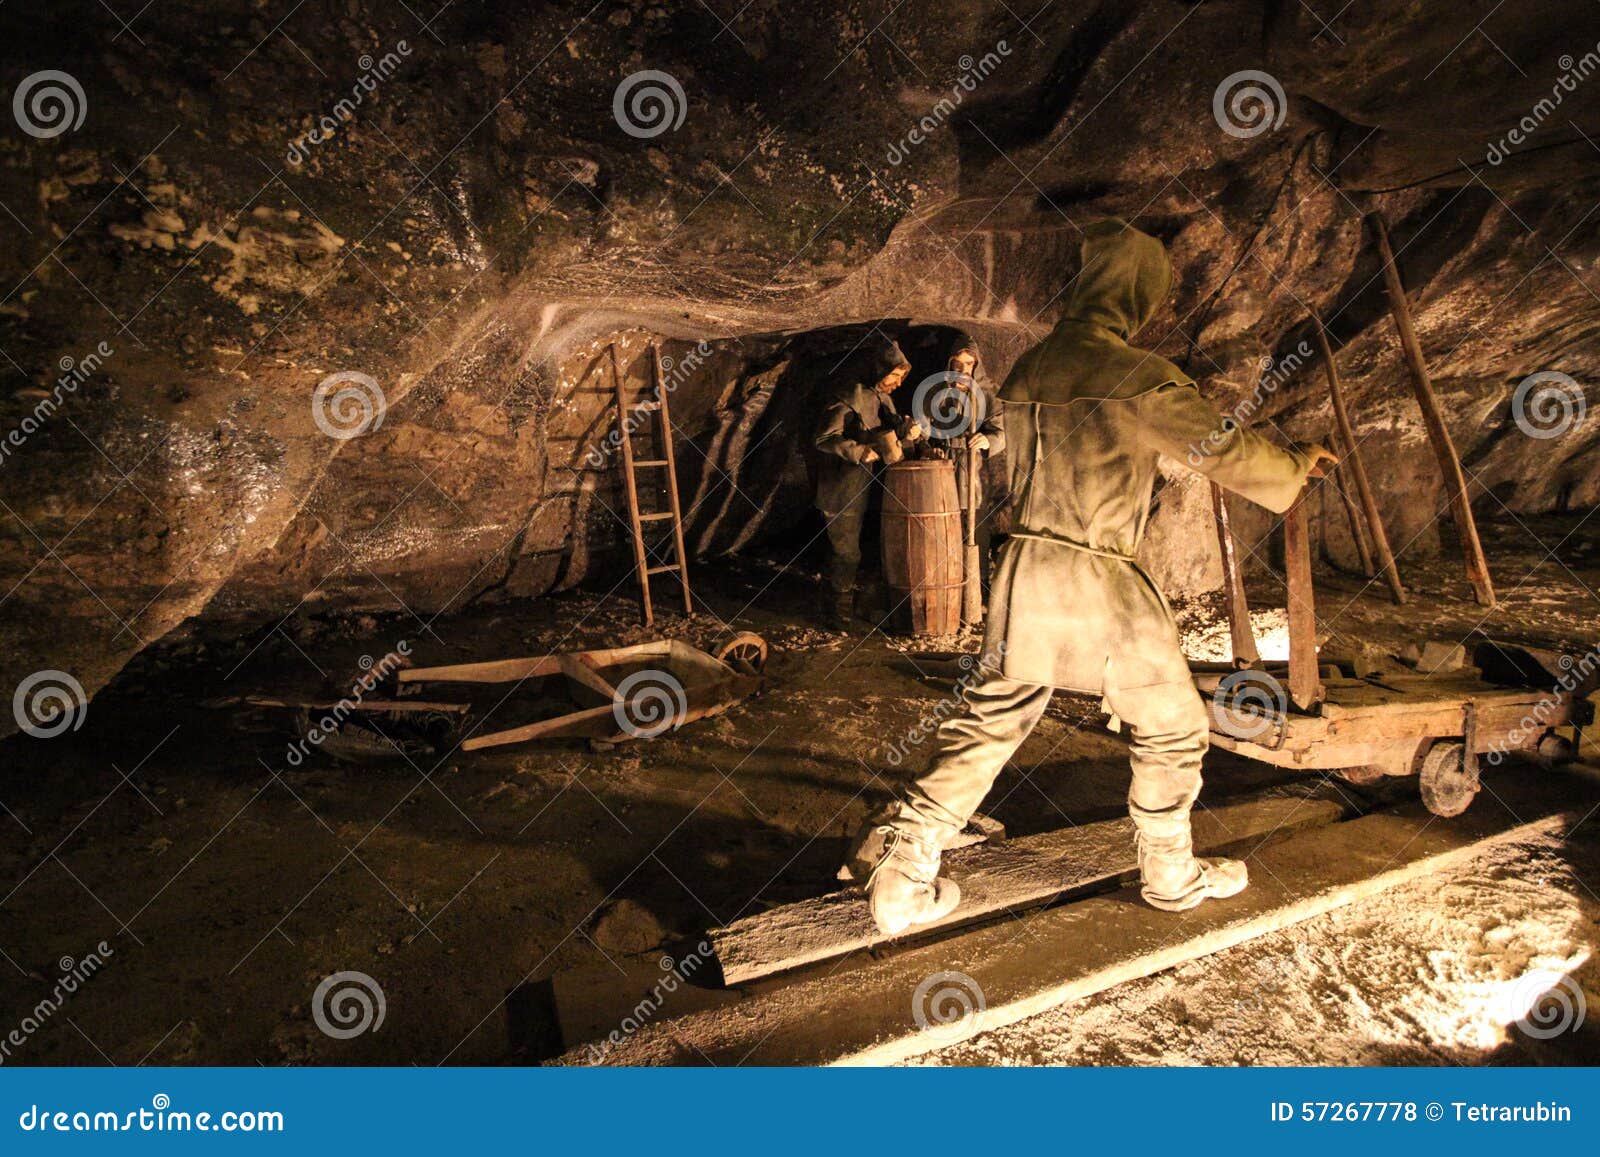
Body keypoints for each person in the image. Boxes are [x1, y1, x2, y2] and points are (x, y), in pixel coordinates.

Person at [844, 219, 1337, 935]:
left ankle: (902, 869)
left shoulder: (1032, 368)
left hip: (1026, 571)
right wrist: (1294, 466)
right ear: (1135, 293)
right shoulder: (1139, 376)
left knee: (993, 715)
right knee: (1172, 726)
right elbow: (1224, 451)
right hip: (1099, 576)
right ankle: (1170, 875)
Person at [812, 342, 920, 627]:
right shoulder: (847, 398)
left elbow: (888, 431)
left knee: (861, 547)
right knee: (847, 550)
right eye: (894, 376)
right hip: (842, 488)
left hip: (870, 486)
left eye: (901, 378)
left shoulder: (883, 399)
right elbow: (824, 438)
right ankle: (837, 610)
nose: (897, 383)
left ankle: (843, 600)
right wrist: (858, 451)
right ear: (878, 370)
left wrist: (906, 430)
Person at [913, 333, 1007, 572]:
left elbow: (1001, 433)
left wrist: (987, 440)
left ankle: (978, 577)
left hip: (973, 466)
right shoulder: (936, 392)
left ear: (976, 365)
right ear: (950, 364)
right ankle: (948, 578)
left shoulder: (988, 392)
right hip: (943, 466)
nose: (963, 370)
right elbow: (922, 433)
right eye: (958, 364)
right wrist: (927, 447)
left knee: (975, 523)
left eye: (969, 364)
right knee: (942, 520)